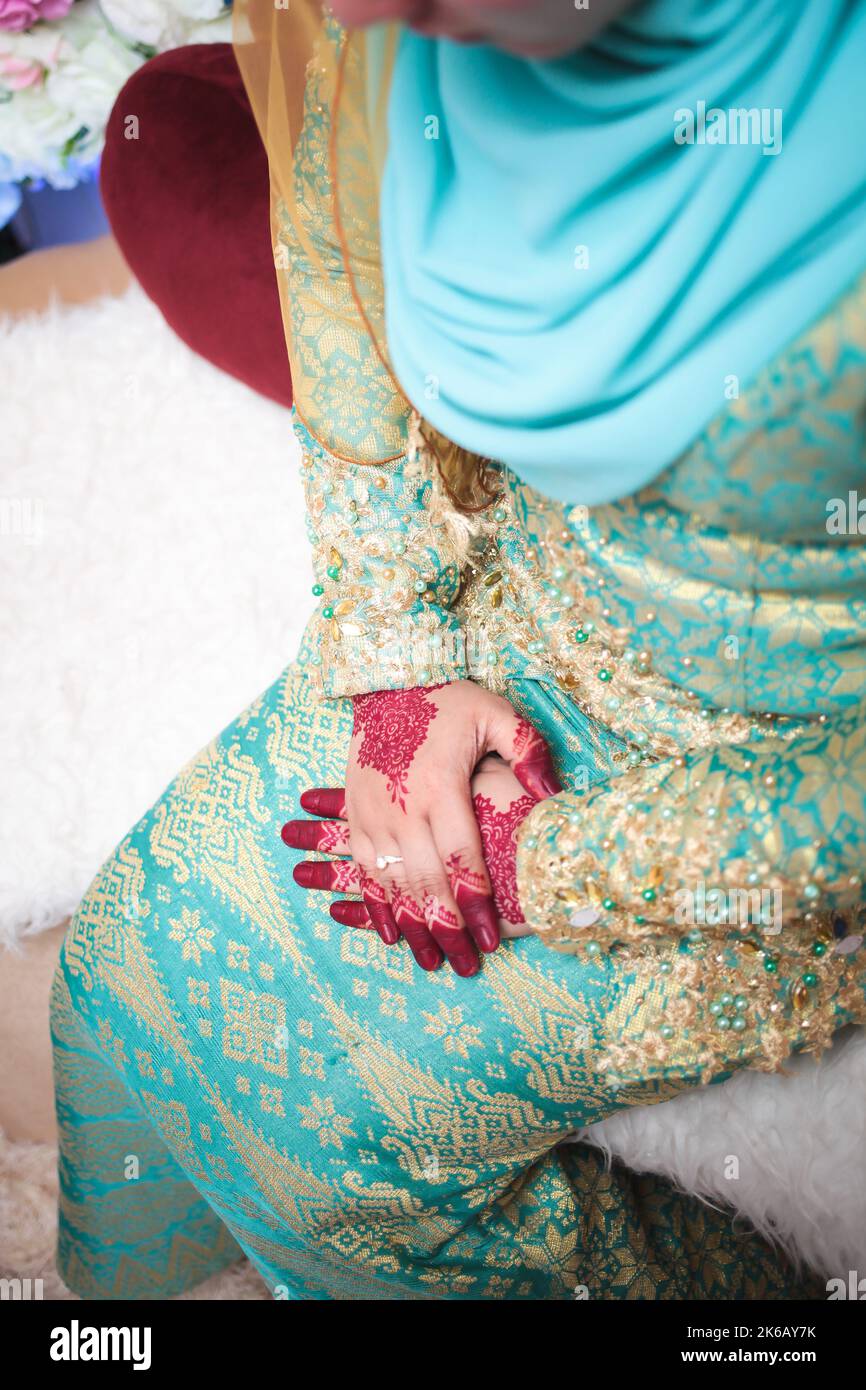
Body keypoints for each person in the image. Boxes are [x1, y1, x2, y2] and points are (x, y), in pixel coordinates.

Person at [51, 0, 866, 1300]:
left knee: (326, 1168)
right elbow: (335, 293)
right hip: (502, 613)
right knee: (119, 969)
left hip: (753, 805)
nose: (360, 12)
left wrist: (532, 865)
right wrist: (400, 670)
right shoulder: (364, 19)